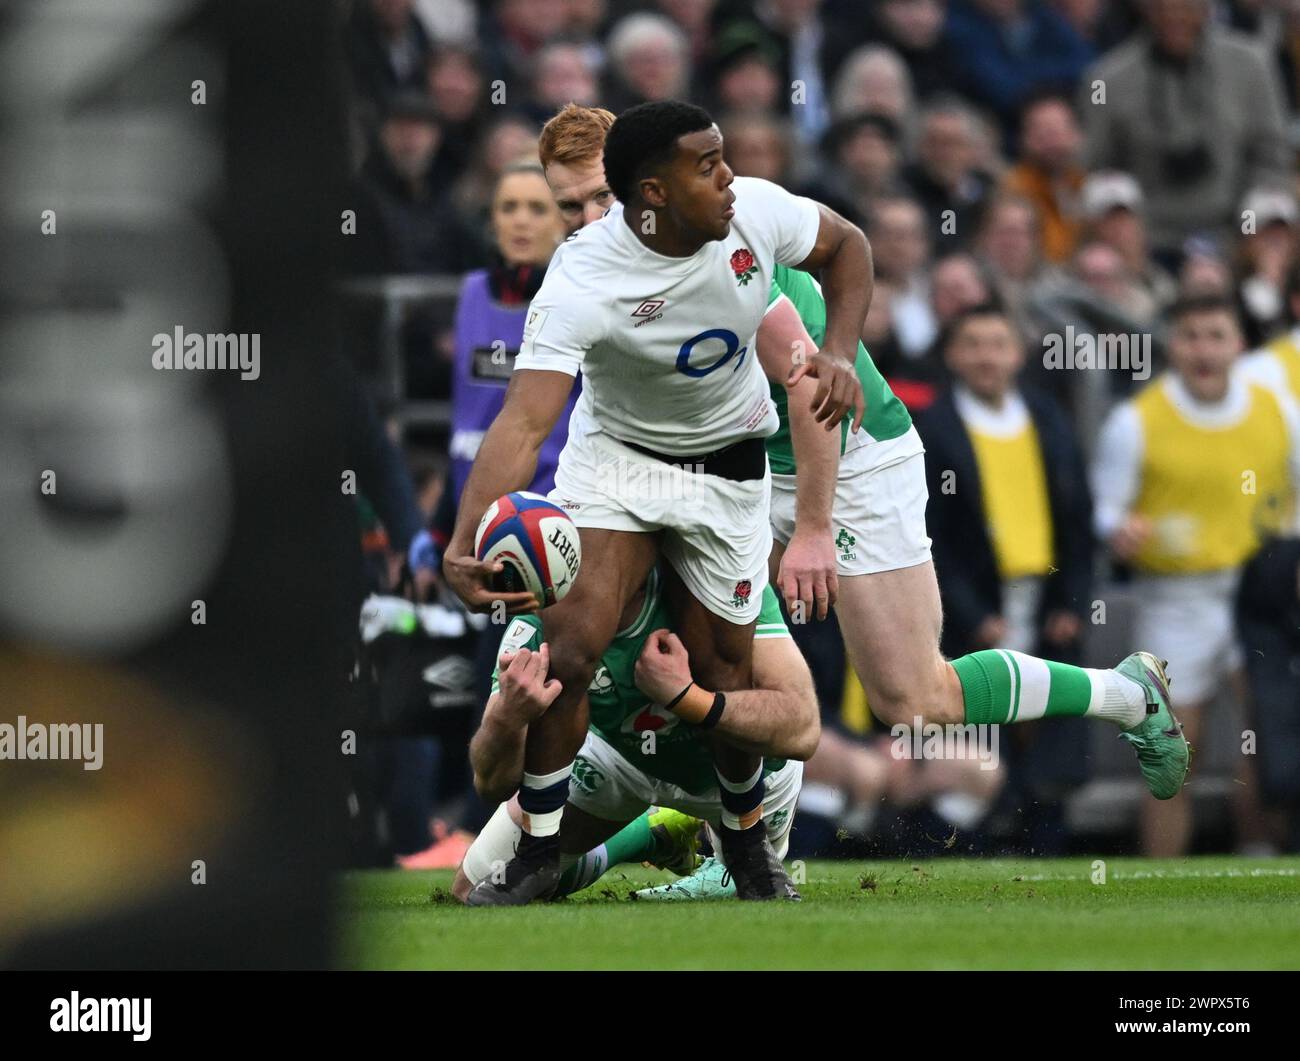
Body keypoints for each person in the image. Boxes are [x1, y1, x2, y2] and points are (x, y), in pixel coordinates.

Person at [442, 100, 869, 905]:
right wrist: (466, 540)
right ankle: (539, 851)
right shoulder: (581, 276)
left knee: (723, 666)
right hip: (618, 466)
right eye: (708, 165)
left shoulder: (755, 220)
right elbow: (527, 416)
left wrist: (816, 511)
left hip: (728, 471)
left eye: (722, 157)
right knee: (568, 648)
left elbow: (847, 252)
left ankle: (745, 848)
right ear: (656, 191)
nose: (729, 176)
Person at [452, 566, 819, 903]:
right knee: (476, 885)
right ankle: (650, 834)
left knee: (741, 885)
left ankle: (720, 844)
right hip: (619, 756)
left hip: (744, 778)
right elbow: (490, 784)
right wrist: (507, 720)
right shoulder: (543, 616)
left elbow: (802, 731)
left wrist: (686, 698)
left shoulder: (717, 576)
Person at [1093, 295, 1300, 855]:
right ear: (1172, 345)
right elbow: (1106, 508)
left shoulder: (1278, 410)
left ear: (1239, 344)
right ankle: (1160, 880)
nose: (1204, 349)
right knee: (1172, 753)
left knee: (1268, 736)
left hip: (1258, 595)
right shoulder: (1136, 421)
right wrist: (1120, 530)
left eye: (1216, 335)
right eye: (1191, 336)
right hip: (1174, 602)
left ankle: (1262, 855)